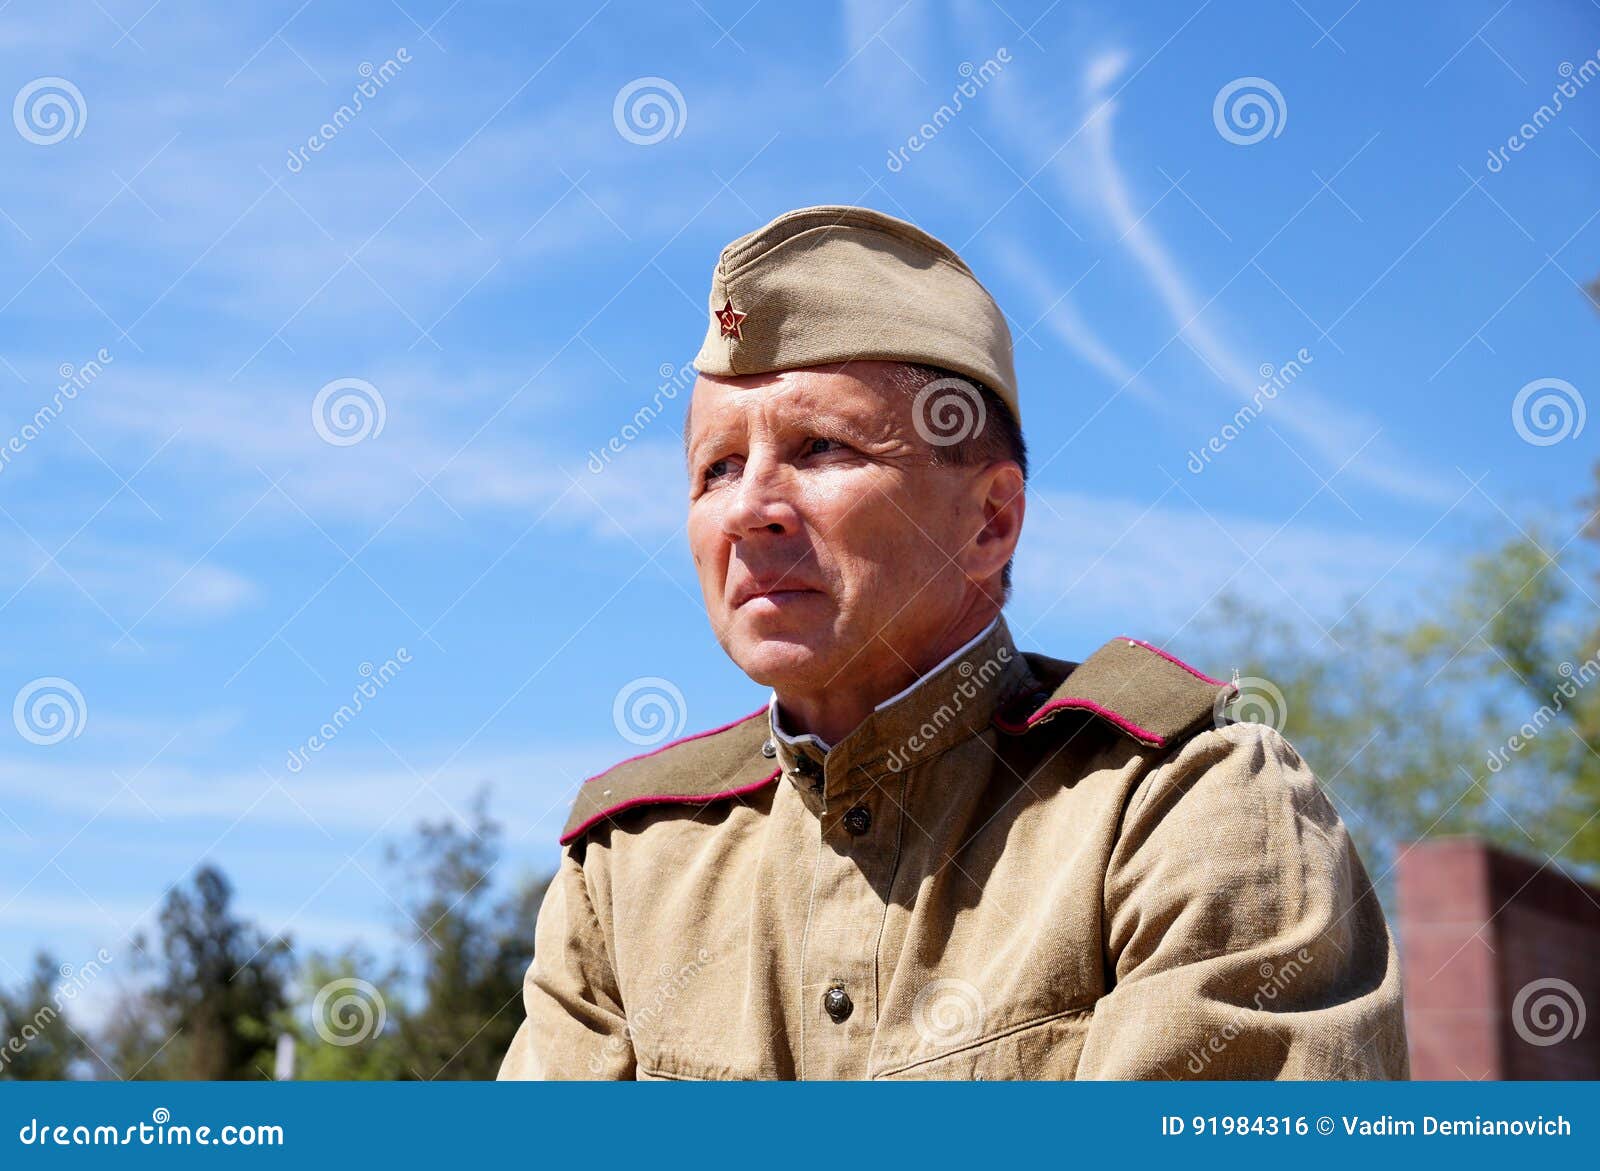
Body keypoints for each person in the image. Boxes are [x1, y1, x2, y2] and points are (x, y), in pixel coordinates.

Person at [497, 205, 1408, 1080]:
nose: (750, 509)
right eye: (717, 468)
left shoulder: (1178, 804)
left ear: (990, 521)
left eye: (821, 448)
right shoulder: (627, 868)